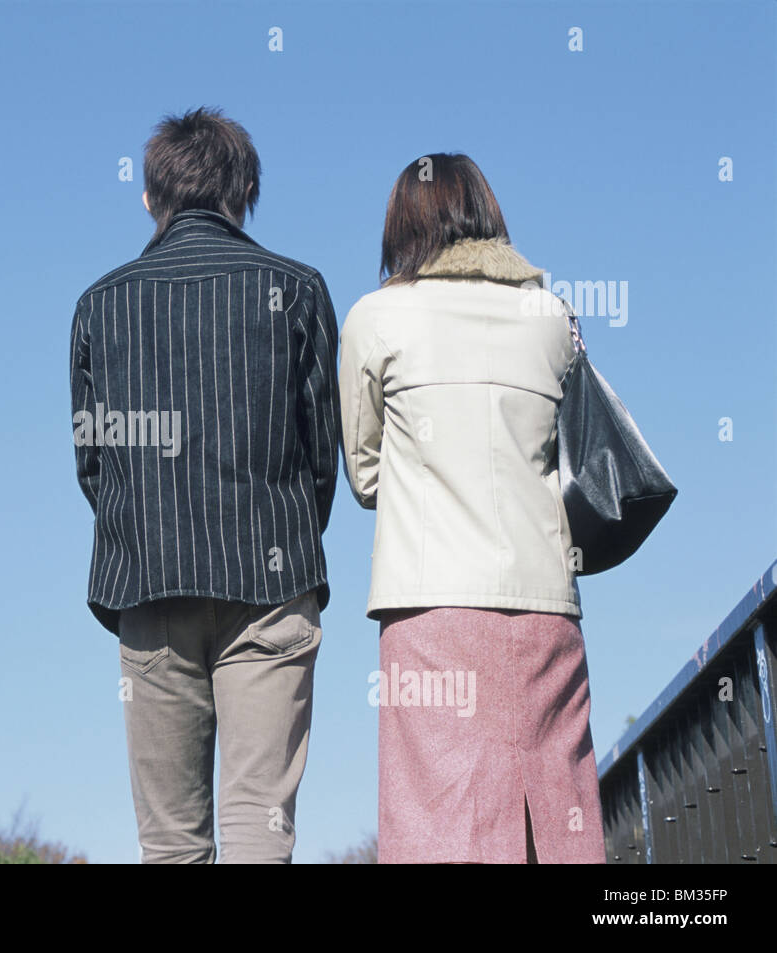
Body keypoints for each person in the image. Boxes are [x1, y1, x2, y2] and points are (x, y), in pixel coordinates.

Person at [69, 107, 341, 863]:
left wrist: (145, 525)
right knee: (261, 816)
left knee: (170, 843)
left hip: (148, 584)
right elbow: (324, 452)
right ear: (245, 189)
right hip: (271, 577)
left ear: (149, 197)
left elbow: (93, 463)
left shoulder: (99, 305)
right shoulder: (299, 288)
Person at [338, 153, 605, 864]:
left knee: (438, 821)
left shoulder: (375, 316)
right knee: (556, 813)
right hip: (547, 602)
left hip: (431, 607)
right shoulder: (551, 314)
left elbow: (366, 476)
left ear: (403, 224)